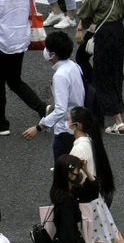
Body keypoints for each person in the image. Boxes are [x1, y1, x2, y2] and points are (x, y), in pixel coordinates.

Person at [77, 0, 124, 134]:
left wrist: (81, 29)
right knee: (114, 71)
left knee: (102, 75)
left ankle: (117, 121)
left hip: (104, 33)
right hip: (118, 31)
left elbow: (84, 15)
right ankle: (112, 107)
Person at [0, 0, 48, 137]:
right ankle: (42, 108)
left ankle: (2, 123)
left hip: (2, 39)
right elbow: (32, 8)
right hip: (21, 38)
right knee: (14, 80)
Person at [67, 108, 121, 243]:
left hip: (82, 201)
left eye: (68, 120)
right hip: (93, 199)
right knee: (99, 241)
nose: (66, 123)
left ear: (76, 125)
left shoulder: (78, 148)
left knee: (93, 241)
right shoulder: (90, 141)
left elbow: (74, 176)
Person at [20, 32, 84, 162]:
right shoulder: (74, 66)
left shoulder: (60, 76)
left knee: (62, 170)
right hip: (77, 125)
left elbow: (61, 109)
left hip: (65, 131)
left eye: (48, 49)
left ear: (53, 55)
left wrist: (39, 127)